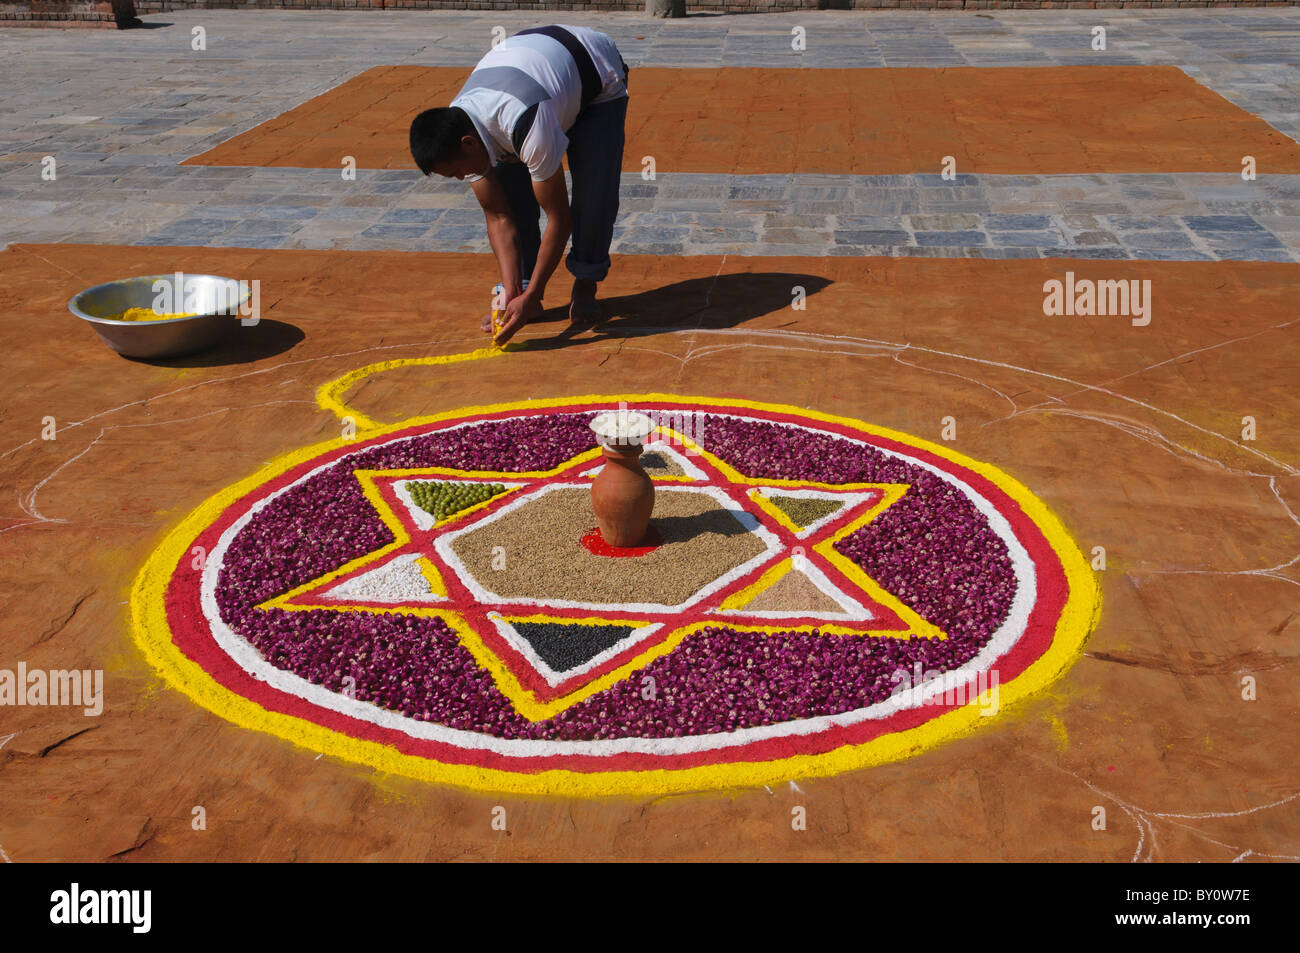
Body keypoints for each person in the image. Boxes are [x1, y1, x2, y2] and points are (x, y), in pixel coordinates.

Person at [409, 25, 630, 344]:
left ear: (469, 144)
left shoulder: (526, 121)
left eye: (457, 173)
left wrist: (536, 294)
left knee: (594, 193)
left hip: (596, 74)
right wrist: (511, 291)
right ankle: (521, 289)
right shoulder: (458, 125)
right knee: (511, 196)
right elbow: (498, 218)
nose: (462, 179)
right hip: (539, 79)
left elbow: (559, 218)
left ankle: (585, 280)